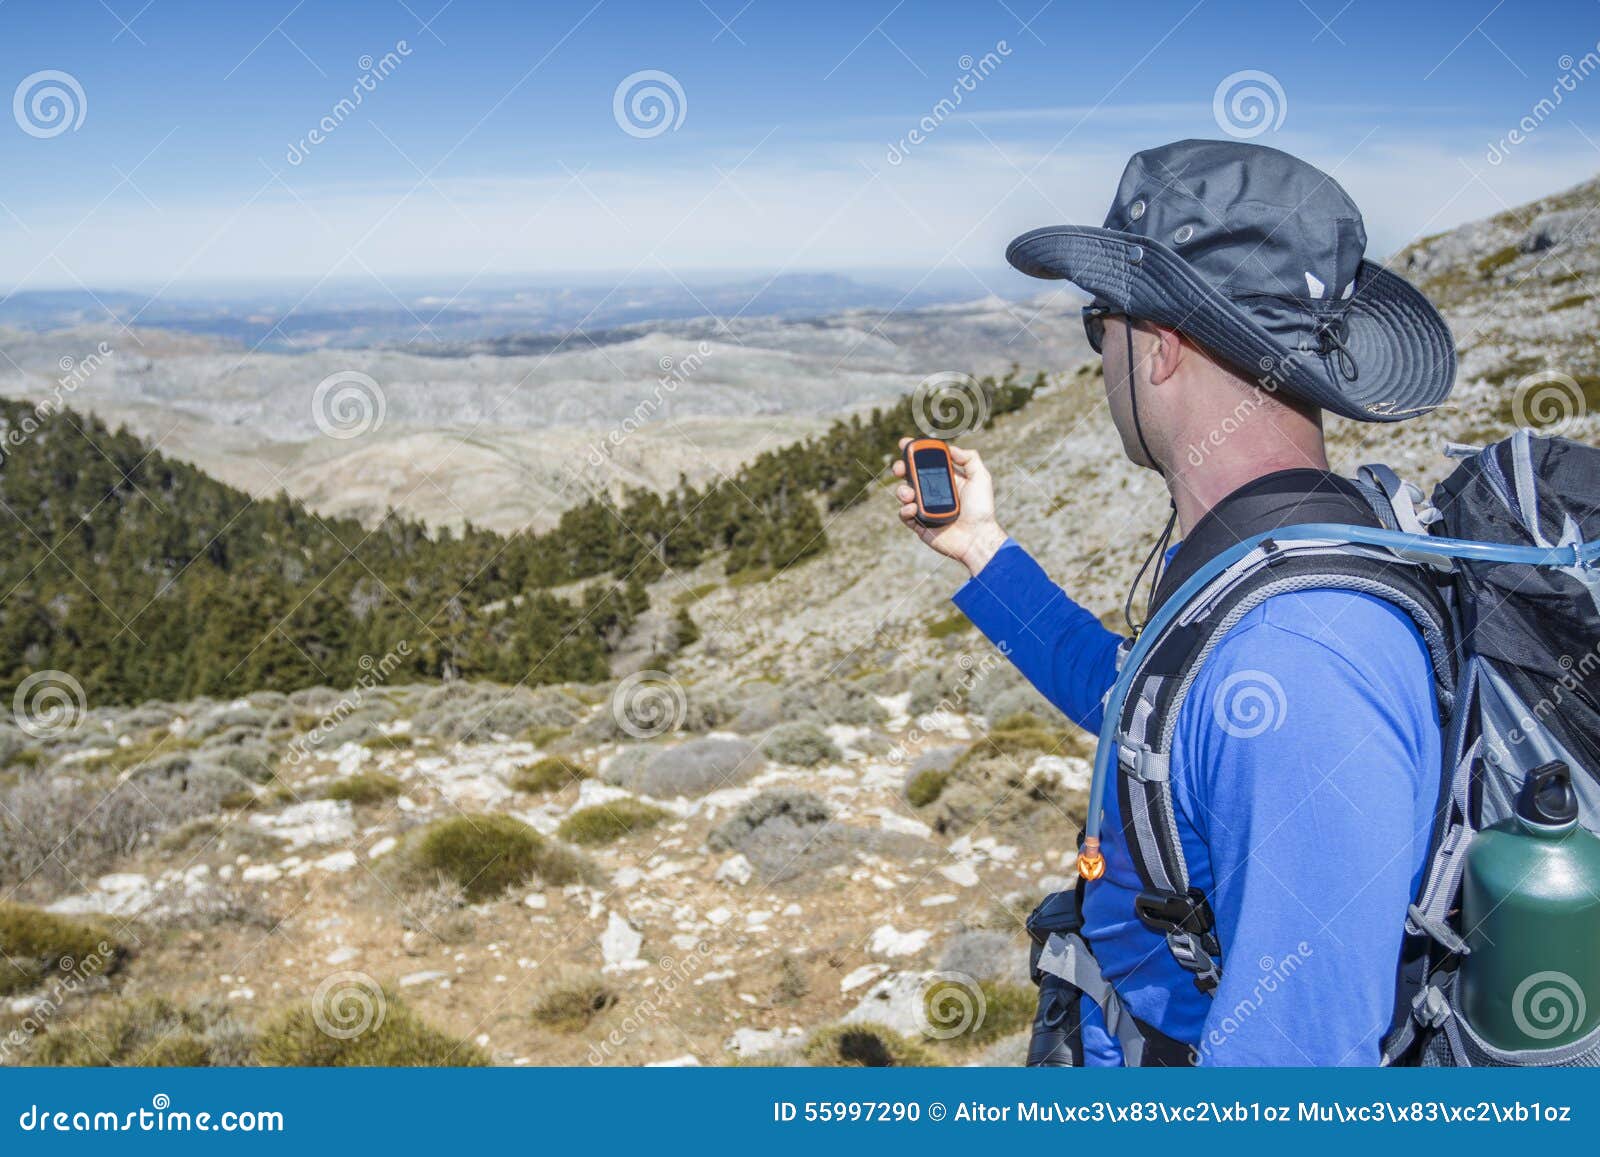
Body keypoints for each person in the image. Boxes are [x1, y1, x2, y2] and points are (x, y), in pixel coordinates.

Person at [894, 139, 1458, 1066]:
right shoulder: (1270, 560)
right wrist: (981, 550)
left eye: (1097, 324)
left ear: (1160, 346)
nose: (1098, 352)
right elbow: (1145, 708)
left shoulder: (1297, 656)